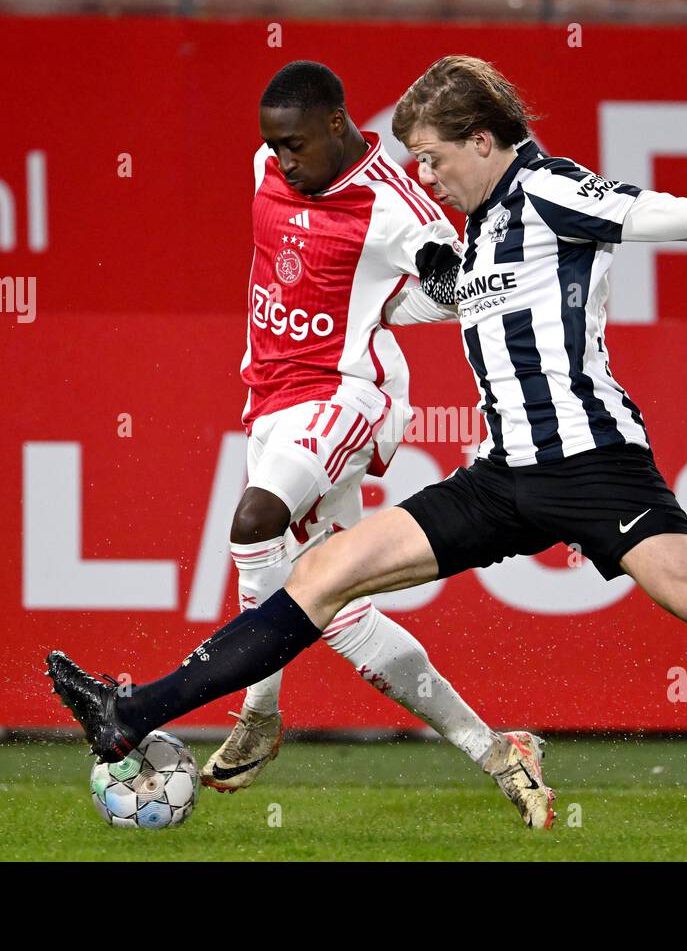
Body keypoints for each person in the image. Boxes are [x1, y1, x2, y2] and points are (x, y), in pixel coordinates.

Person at [48, 57, 687, 813]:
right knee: (319, 574)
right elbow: (421, 293)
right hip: (504, 476)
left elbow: (659, 216)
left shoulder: (552, 194)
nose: (420, 176)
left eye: (432, 158)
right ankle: (131, 715)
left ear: (481, 139)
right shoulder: (462, 233)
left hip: (598, 470)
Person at [188, 61, 556, 828]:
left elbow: (452, 289)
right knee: (333, 602)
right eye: (272, 146)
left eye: (293, 145)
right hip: (271, 401)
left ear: (334, 124)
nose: (281, 160)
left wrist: (437, 274)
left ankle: (258, 713)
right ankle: (497, 749)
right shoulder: (267, 165)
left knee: (254, 521)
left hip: (347, 392)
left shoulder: (395, 206)